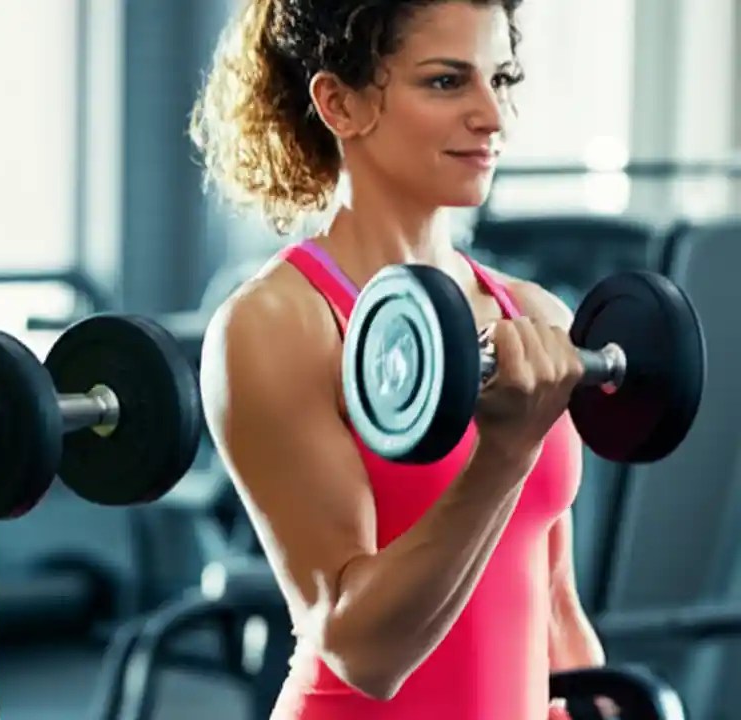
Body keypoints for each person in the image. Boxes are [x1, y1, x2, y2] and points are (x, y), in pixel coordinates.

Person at [191, 1, 609, 719]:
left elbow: (556, 606)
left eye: (501, 79)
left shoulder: (533, 315)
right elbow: (361, 649)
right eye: (447, 83)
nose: (493, 116)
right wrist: (505, 450)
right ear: (340, 103)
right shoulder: (278, 324)